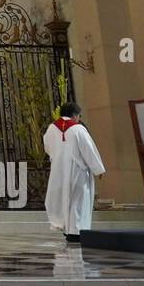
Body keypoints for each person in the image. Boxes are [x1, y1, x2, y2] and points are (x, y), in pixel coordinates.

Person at [44, 102, 106, 243]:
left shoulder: (51, 128)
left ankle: (67, 230)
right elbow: (88, 149)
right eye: (79, 116)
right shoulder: (78, 129)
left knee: (64, 200)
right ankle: (77, 231)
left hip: (59, 171)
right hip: (77, 171)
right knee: (78, 201)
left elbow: (47, 147)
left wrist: (58, 156)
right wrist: (98, 169)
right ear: (75, 115)